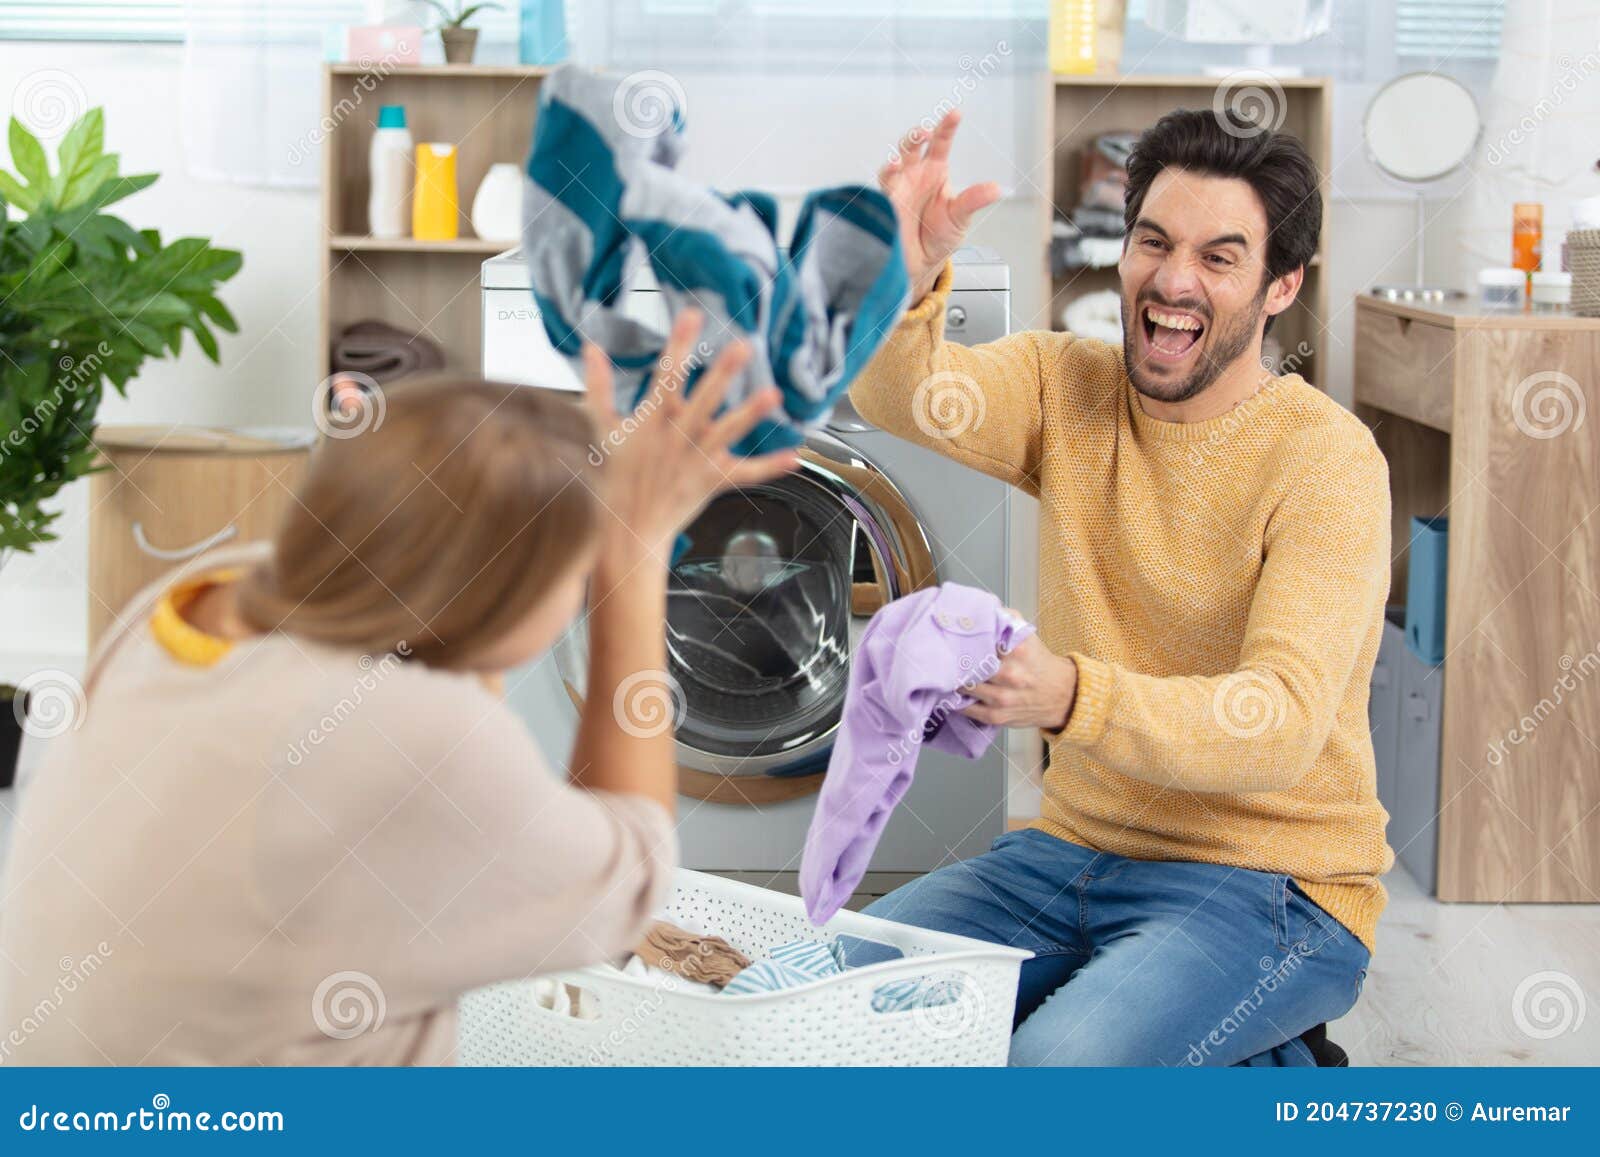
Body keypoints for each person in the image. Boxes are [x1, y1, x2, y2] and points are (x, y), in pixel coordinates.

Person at [0, 315, 797, 1065]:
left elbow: (423, 598)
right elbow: (626, 885)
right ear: (516, 589)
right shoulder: (412, 734)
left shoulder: (188, 602)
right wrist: (632, 554)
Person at [851, 108, 1392, 1066]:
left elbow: (1282, 721)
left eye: (1220, 258)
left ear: (1282, 287)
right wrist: (904, 281)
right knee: (830, 997)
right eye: (1154, 241)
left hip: (1272, 884)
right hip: (1069, 855)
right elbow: (904, 397)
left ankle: (1277, 1067)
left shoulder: (1326, 462)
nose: (1174, 280)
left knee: (1057, 1069)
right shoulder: (1070, 385)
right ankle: (1224, 1049)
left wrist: (1073, 695)